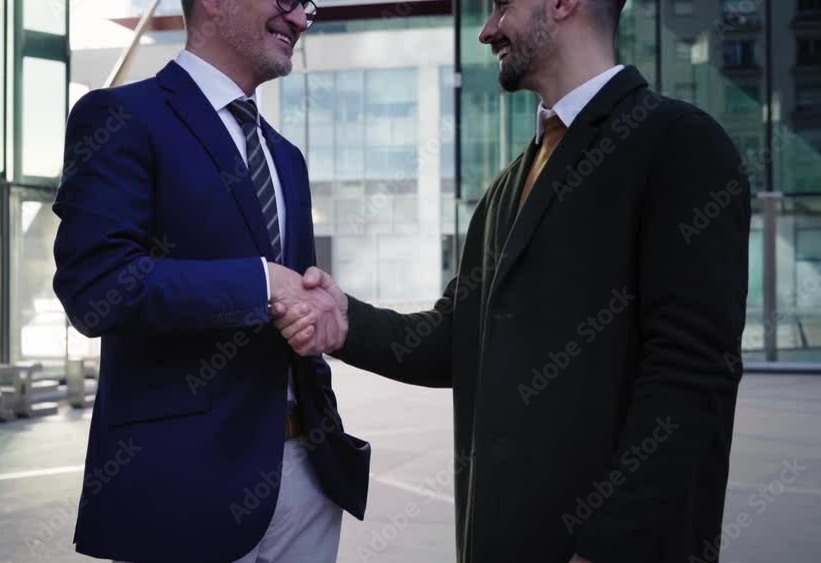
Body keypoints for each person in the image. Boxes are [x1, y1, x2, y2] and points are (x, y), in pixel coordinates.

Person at [273, 0, 751, 561]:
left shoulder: (681, 145)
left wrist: (611, 544)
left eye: (502, 6)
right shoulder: (507, 186)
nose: (486, 30)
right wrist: (344, 321)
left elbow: (692, 377)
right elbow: (456, 340)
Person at [51, 1, 369, 562]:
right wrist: (259, 282)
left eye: (308, 7)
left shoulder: (286, 157)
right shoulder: (119, 116)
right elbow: (96, 287)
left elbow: (296, 304)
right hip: (185, 494)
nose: (300, 20)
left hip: (309, 483)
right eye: (287, 0)